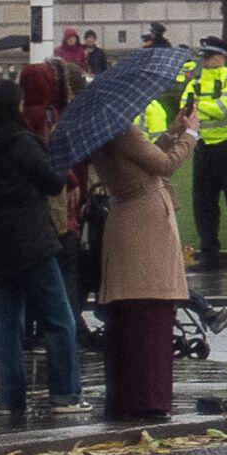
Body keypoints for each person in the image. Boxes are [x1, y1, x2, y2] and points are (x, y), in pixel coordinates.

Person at [0, 67, 82, 423]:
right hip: (31, 240)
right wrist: (54, 148)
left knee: (6, 323)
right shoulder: (21, 142)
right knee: (58, 319)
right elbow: (53, 182)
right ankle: (64, 393)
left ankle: (11, 397)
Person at [89, 107, 197, 423]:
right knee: (150, 309)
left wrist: (172, 133)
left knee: (131, 313)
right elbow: (165, 165)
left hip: (128, 219)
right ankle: (148, 398)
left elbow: (144, 161)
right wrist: (190, 135)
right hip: (145, 223)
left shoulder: (104, 130)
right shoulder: (121, 129)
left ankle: (128, 397)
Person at [177, 39, 227, 275]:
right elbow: (184, 109)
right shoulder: (196, 82)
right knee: (204, 206)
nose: (205, 61)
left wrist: (199, 107)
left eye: (209, 56)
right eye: (203, 56)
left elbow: (225, 109)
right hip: (205, 147)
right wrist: (198, 109)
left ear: (222, 57)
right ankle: (209, 256)